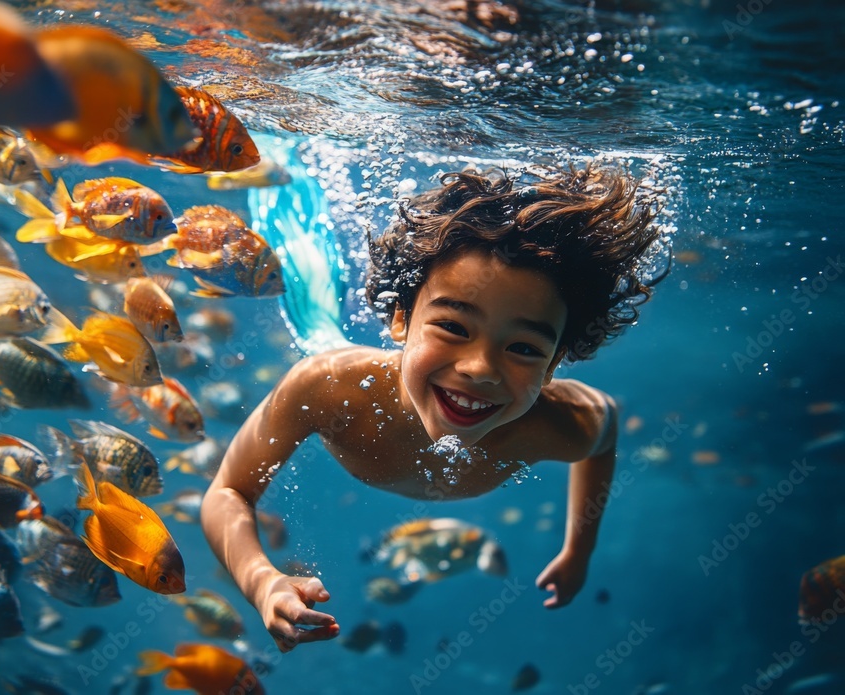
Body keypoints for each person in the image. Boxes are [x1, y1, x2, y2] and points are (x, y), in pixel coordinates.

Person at [201, 163, 665, 652]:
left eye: (525, 349)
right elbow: (228, 491)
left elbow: (607, 426)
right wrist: (261, 581)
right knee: (309, 288)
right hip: (324, 344)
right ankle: (286, 173)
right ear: (400, 318)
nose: (481, 369)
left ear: (553, 368)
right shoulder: (329, 387)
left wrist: (579, 549)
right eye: (454, 327)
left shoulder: (555, 424)